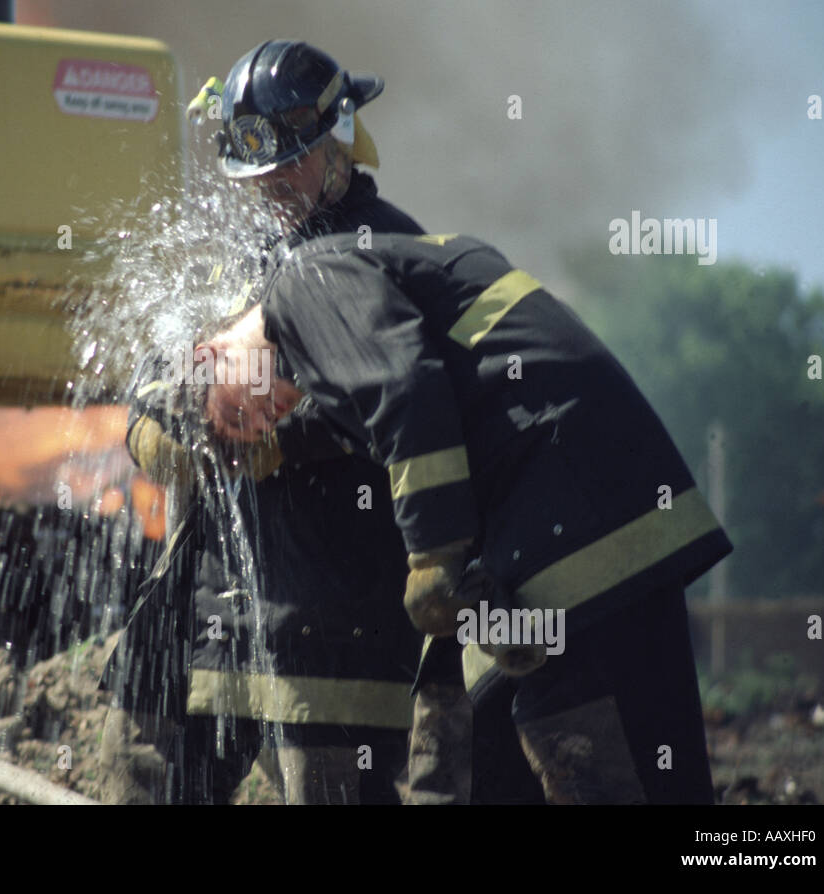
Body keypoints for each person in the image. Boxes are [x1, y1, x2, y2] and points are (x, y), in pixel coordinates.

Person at [201, 231, 731, 803]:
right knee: (513, 743)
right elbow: (389, 396)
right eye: (252, 432)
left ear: (213, 354)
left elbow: (403, 390)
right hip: (586, 497)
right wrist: (287, 445)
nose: (259, 424)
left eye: (237, 411)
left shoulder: (300, 282)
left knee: (593, 745)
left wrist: (433, 557)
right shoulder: (358, 289)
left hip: (569, 511)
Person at [99, 40, 447, 804]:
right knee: (141, 772)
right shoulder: (253, 257)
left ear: (338, 145)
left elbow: (387, 401)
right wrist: (157, 423)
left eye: (290, 164)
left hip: (333, 605)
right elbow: (181, 368)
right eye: (259, 172)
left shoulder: (381, 252)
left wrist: (276, 444)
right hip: (208, 601)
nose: (272, 186)